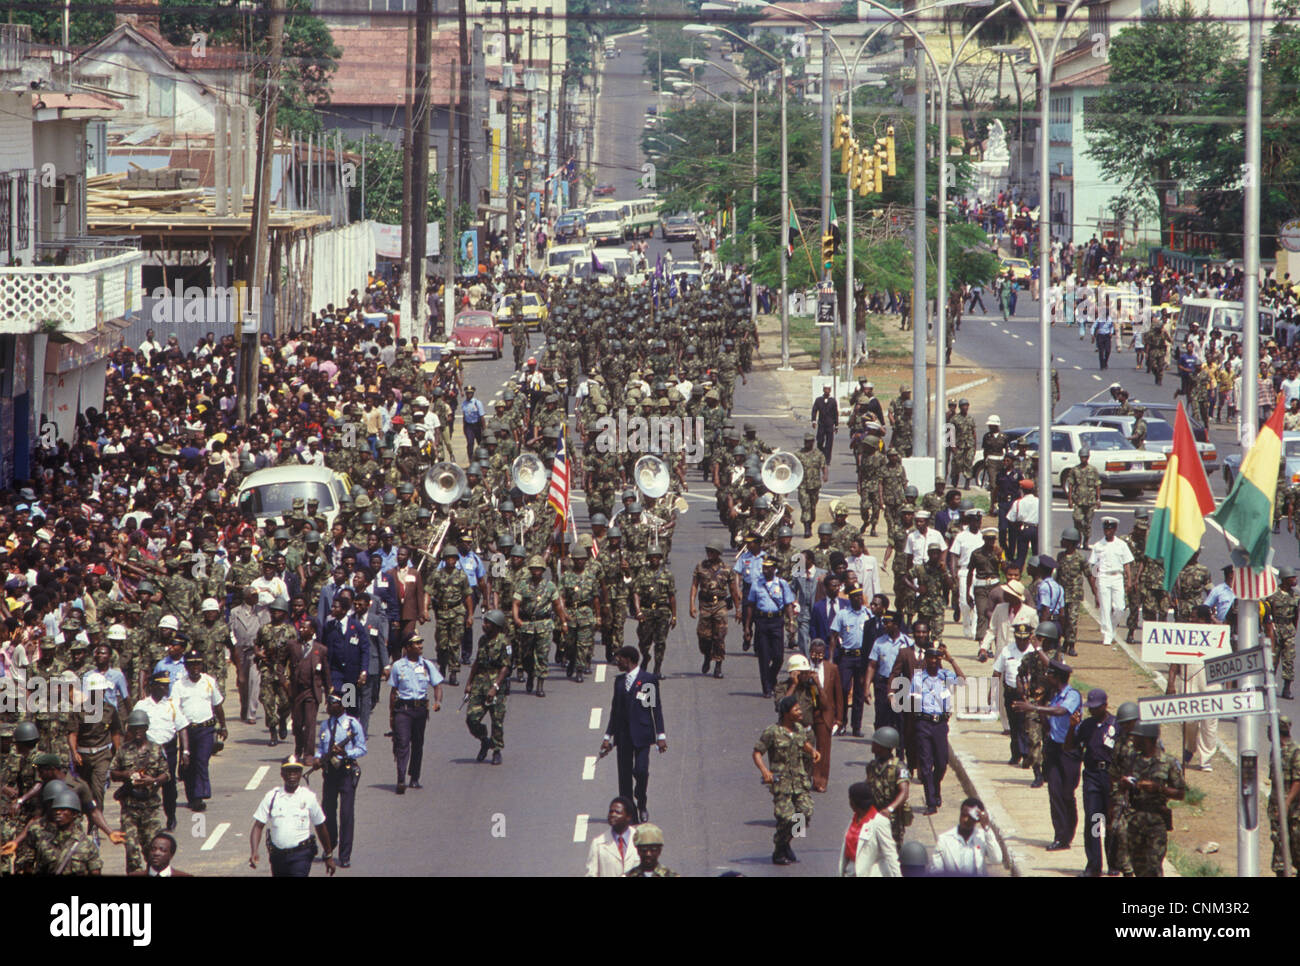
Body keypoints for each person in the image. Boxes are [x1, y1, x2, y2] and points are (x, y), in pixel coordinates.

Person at [1015, 659, 1082, 850]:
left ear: (1057, 677)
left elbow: (1061, 711)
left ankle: (1068, 833)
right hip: (1053, 748)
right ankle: (1060, 836)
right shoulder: (1052, 695)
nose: (1047, 678)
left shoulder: (1072, 695)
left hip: (1069, 750)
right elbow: (1048, 720)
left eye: (1050, 675)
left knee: (1067, 793)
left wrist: (1035, 708)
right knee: (1054, 792)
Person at [600, 645, 668, 823]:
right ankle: (630, 813)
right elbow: (615, 711)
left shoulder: (648, 680)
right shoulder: (619, 682)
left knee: (641, 771)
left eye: (619, 659)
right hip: (623, 736)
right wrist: (608, 737)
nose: (617, 662)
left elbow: (654, 708)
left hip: (642, 734)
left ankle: (642, 800)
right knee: (624, 777)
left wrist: (660, 735)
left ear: (628, 659)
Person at [754, 695, 819, 865]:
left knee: (805, 814)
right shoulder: (772, 732)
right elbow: (757, 753)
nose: (800, 712)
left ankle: (786, 843)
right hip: (781, 783)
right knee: (786, 818)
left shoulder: (799, 729)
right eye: (796, 709)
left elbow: (803, 743)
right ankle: (779, 849)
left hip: (799, 782)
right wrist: (765, 771)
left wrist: (812, 751)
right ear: (786, 713)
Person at [249, 756, 335, 877]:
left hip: (301, 855)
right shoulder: (272, 797)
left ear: (300, 774)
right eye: (288, 771)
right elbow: (258, 826)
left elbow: (320, 826)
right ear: (282, 774)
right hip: (277, 856)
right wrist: (254, 851)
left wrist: (328, 855)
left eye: (296, 771)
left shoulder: (308, 797)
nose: (292, 775)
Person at [309, 690, 366, 869]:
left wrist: (347, 753)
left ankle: (345, 854)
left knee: (346, 814)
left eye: (332, 703)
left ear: (342, 705)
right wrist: (318, 758)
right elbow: (321, 747)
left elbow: (362, 748)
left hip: (346, 772)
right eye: (328, 703)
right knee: (327, 812)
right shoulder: (325, 725)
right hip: (330, 774)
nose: (328, 706)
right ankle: (330, 845)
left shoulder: (352, 724)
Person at [108, 708, 170, 874]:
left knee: (153, 849)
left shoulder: (156, 749)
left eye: (140, 728)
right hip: (130, 807)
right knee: (131, 850)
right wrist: (125, 774)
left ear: (146, 728)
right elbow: (113, 773)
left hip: (150, 807)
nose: (137, 732)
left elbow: (167, 774)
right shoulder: (123, 750)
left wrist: (154, 780)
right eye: (134, 728)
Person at [1122, 722, 1185, 876]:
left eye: (1136, 738)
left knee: (1153, 866)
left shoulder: (1168, 762)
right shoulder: (1132, 759)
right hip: (1135, 819)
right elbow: (1120, 785)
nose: (1133, 741)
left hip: (1156, 821)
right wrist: (1123, 784)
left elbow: (1181, 793)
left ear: (1146, 739)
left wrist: (1159, 789)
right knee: (1137, 866)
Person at [386, 633, 444, 794]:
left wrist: (437, 701)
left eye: (420, 643)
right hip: (403, 710)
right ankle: (401, 778)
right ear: (408, 647)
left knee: (417, 744)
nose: (420, 646)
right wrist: (391, 714)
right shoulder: (398, 666)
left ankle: (415, 777)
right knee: (402, 743)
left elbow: (437, 685)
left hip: (420, 710)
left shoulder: (426, 665)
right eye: (416, 643)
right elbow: (393, 691)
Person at [170, 651, 226, 813]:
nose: (195, 668)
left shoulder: (209, 681)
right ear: (186, 666)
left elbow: (218, 705)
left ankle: (200, 795)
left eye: (197, 664)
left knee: (201, 760)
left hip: (206, 729)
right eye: (191, 664)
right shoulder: (179, 685)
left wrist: (223, 725)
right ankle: (192, 797)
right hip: (187, 730)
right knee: (188, 763)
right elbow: (174, 708)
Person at [911, 645, 962, 815]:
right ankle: (931, 801)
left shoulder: (946, 676)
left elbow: (962, 680)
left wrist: (951, 658)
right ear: (926, 659)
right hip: (924, 723)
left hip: (940, 724)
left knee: (941, 763)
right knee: (926, 765)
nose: (933, 661)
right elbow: (913, 703)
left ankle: (935, 786)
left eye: (936, 658)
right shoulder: (918, 678)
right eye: (930, 658)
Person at [1073, 688, 1116, 876]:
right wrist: (1070, 727)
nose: (1092, 711)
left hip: (1111, 776)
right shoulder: (1087, 725)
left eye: (1096, 708)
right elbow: (1071, 746)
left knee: (1112, 822)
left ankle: (1114, 865)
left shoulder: (1116, 725)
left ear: (1105, 706)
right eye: (1090, 708)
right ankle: (1094, 866)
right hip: (1092, 775)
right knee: (1093, 821)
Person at [744, 556, 796, 699]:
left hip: (776, 621)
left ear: (774, 569)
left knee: (778, 656)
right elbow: (750, 606)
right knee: (764, 656)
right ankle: (766, 687)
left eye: (768, 568)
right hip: (761, 622)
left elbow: (788, 604)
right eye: (764, 568)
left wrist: (791, 622)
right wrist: (747, 627)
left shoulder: (782, 584)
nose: (765, 570)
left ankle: (771, 678)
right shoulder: (757, 584)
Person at [465, 609, 511, 765]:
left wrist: (496, 686)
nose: (484, 625)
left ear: (497, 626)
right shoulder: (482, 640)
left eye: (487, 623)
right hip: (480, 682)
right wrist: (469, 683)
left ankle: (497, 750)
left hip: (496, 683)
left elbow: (506, 667)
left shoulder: (505, 642)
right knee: (472, 718)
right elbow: (477, 661)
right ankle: (485, 740)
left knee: (497, 720)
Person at [829, 587, 872, 734]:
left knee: (859, 692)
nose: (859, 599)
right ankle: (841, 723)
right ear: (850, 599)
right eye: (855, 597)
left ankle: (857, 726)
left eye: (860, 596)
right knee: (843, 689)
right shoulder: (842, 614)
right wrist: (830, 658)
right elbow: (833, 637)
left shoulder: (868, 614)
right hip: (846, 656)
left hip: (862, 658)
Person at [1089, 517, 1134, 648]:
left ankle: (1112, 627)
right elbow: (1094, 566)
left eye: (1110, 528)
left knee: (1120, 607)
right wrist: (1094, 583)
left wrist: (1129, 580)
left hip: (1117, 577)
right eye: (1105, 528)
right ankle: (1107, 634)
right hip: (1103, 577)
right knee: (1105, 607)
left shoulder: (1121, 545)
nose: (1107, 531)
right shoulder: (1098, 546)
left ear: (1115, 529)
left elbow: (1127, 564)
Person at [839, 781, 901, 877]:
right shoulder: (854, 820)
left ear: (854, 802)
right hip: (850, 872)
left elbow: (890, 853)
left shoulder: (879, 822)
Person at [931, 798, 1002, 875]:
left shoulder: (982, 837)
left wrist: (987, 828)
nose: (965, 820)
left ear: (977, 819)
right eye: (963, 815)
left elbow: (997, 859)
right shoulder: (944, 839)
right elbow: (936, 871)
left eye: (970, 817)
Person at [1268, 715, 1300, 876]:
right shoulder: (1275, 751)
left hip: (1293, 811)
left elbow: (1298, 780)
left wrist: (1286, 803)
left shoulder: (1295, 751)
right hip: (1276, 808)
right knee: (1279, 846)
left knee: (1296, 847)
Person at [584, 796, 640, 877]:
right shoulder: (598, 844)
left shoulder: (640, 839)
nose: (612, 815)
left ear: (628, 817)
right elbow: (591, 874)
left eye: (617, 812)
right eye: (611, 812)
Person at [811, 384, 839, 461]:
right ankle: (822, 453)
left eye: (828, 389)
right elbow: (814, 410)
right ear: (823, 390)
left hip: (830, 425)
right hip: (821, 424)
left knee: (829, 443)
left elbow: (835, 413)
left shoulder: (833, 401)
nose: (827, 391)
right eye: (825, 389)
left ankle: (827, 459)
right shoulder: (818, 400)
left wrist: (836, 425)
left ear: (830, 390)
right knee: (819, 441)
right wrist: (814, 421)